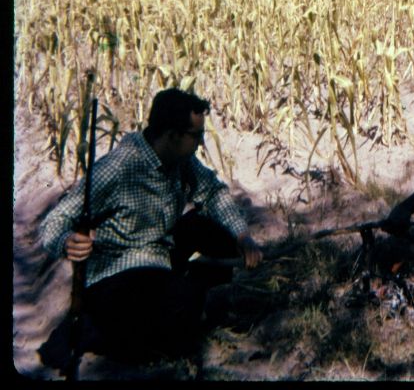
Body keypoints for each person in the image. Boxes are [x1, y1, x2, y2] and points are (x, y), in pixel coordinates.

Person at [39, 87, 263, 367]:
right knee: (181, 307)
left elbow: (213, 192)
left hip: (161, 254)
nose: (201, 143)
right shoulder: (117, 168)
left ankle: (184, 298)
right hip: (118, 272)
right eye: (196, 136)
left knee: (212, 231)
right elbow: (54, 222)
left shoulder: (181, 161)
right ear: (172, 135)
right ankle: (99, 329)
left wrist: (242, 236)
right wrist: (66, 242)